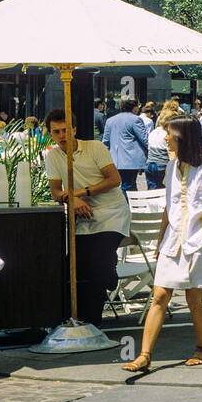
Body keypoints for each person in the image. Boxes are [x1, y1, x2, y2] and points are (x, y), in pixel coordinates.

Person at [122, 116, 202, 373]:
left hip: (197, 239)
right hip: (172, 239)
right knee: (159, 295)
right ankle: (145, 355)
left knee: (193, 298)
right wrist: (160, 239)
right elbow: (169, 207)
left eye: (169, 133)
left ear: (182, 136)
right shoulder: (171, 166)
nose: (165, 138)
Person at [44, 107, 131, 328]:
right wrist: (72, 201)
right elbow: (55, 191)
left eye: (65, 130)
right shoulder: (53, 156)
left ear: (74, 129)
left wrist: (80, 194)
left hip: (112, 212)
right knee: (72, 264)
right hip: (83, 217)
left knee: (98, 259)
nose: (62, 136)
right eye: (56, 132)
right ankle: (72, 317)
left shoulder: (95, 147)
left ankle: (92, 322)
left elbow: (115, 179)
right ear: (50, 134)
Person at [102, 98, 150, 192]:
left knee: (124, 185)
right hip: (131, 160)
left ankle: (127, 204)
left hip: (115, 159)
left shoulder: (110, 120)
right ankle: (128, 205)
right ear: (134, 108)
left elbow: (105, 141)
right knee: (129, 186)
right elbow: (145, 140)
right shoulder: (136, 120)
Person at [145, 101, 182, 189]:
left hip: (149, 164)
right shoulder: (169, 135)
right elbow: (172, 154)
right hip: (163, 165)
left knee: (152, 193)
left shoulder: (154, 132)